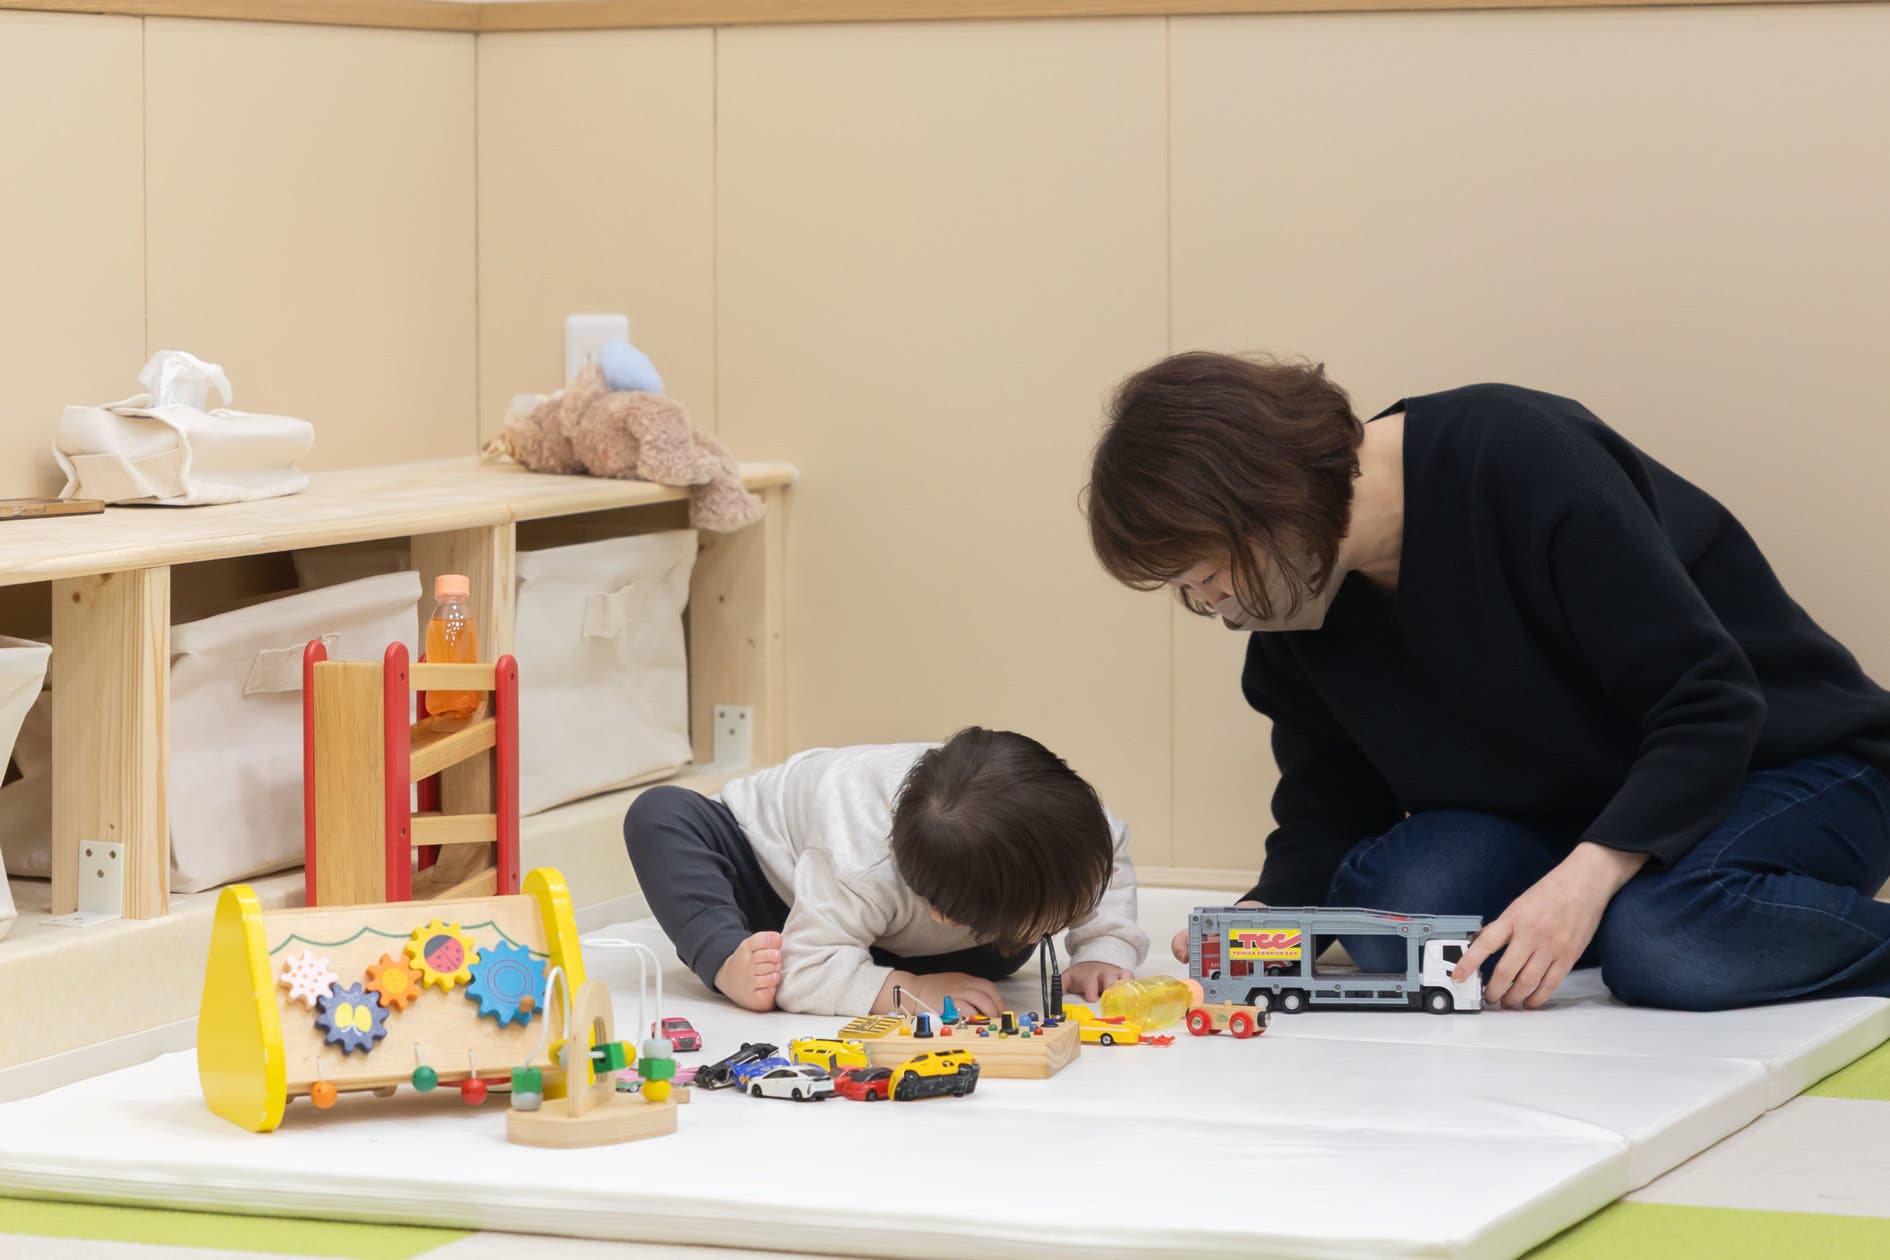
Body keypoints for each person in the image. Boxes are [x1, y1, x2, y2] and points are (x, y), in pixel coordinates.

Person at [1084, 351, 1890, 1011]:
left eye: (1208, 573)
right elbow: (1327, 800)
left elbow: (1710, 705)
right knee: (1388, 922)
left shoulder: (1518, 454)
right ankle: (1633, 910)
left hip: (1791, 765)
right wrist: (1270, 913)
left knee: (1665, 944)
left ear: (1268, 503)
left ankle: (1654, 911)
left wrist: (1589, 877)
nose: (1209, 601)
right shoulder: (1301, 600)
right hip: (1573, 809)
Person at [623, 727, 1149, 1016]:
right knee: (659, 816)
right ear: (945, 915)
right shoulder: (857, 862)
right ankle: (725, 957)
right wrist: (909, 990)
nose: (1063, 927)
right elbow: (802, 972)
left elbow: (1108, 851)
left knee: (996, 961)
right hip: (772, 880)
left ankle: (869, 961)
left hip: (899, 918)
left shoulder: (1065, 828)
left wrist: (1104, 944)